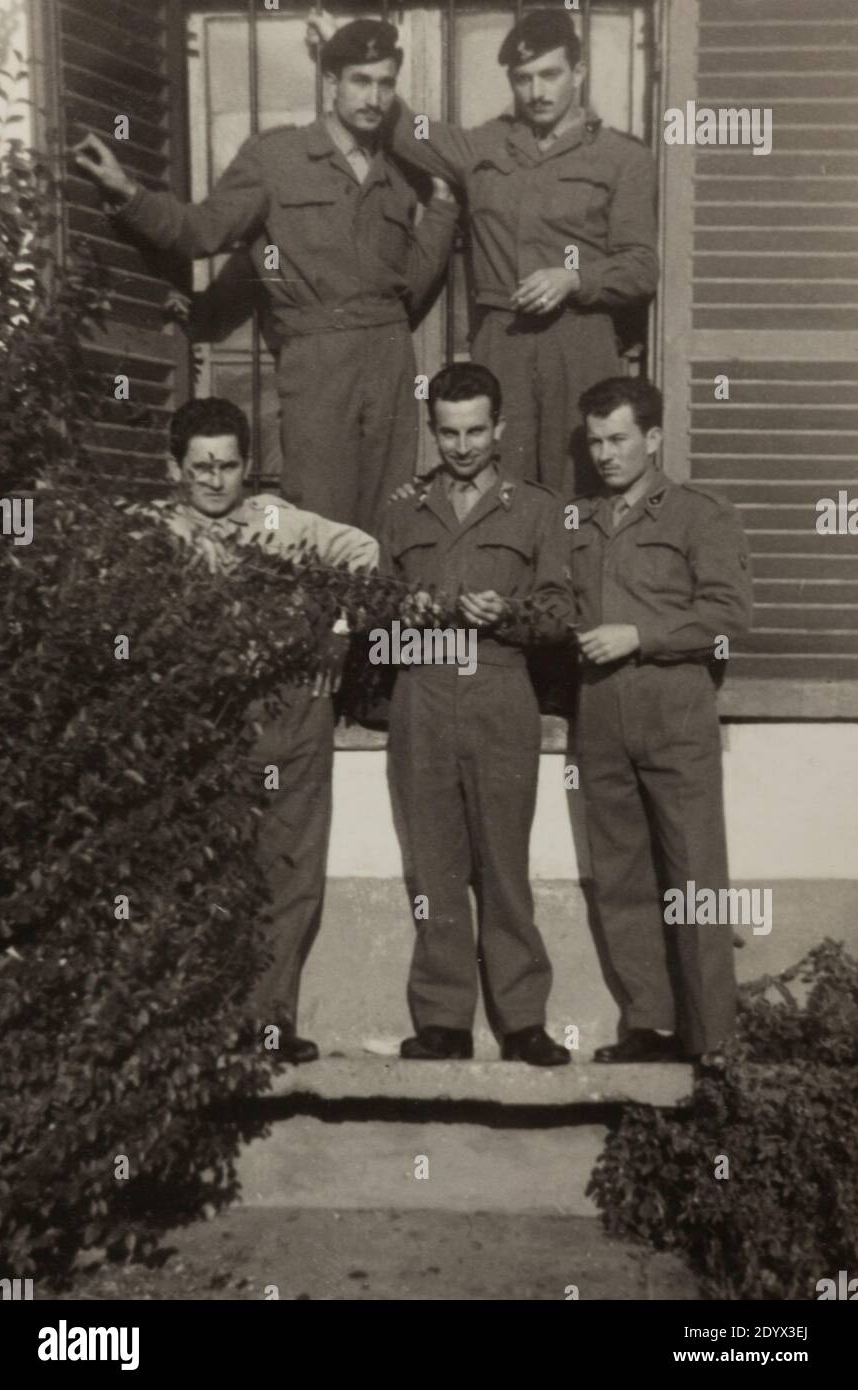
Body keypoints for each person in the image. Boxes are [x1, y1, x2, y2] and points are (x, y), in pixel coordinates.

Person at [74, 20, 458, 533]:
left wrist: (443, 211)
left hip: (391, 356)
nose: (374, 97)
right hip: (318, 361)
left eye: (386, 84)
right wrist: (128, 194)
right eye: (361, 81)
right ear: (330, 83)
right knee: (319, 520)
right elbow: (201, 230)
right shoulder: (275, 159)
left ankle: (381, 617)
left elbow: (411, 284)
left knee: (392, 516)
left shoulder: (398, 174)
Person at [310, 7, 658, 495]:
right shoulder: (483, 147)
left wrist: (575, 278)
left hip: (582, 337)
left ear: (577, 73)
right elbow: (411, 129)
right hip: (504, 335)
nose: (537, 92)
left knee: (581, 480)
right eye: (523, 79)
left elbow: (642, 267)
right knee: (503, 482)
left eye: (550, 75)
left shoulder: (624, 158)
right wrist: (339, 43)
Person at [143, 396, 378, 1063]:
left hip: (290, 711)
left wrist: (338, 629)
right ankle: (201, 1026)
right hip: (201, 718)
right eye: (201, 468)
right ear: (175, 469)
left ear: (248, 466)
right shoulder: (152, 533)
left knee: (290, 870)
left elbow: (364, 550)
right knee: (203, 874)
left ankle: (268, 1023)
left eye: (228, 466)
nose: (215, 481)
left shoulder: (281, 523)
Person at [379, 362, 573, 1066]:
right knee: (432, 866)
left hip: (499, 686)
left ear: (500, 429)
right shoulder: (403, 507)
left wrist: (511, 612)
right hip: (422, 688)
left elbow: (563, 612)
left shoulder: (538, 508)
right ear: (433, 431)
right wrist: (403, 610)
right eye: (447, 432)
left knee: (503, 864)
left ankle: (522, 1021)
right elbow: (373, 611)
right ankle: (443, 1021)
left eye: (475, 431)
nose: (461, 446)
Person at [567, 377, 752, 1067]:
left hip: (675, 710)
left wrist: (640, 635)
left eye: (618, 439)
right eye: (594, 442)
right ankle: (651, 1027)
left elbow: (728, 615)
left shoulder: (701, 515)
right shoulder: (580, 520)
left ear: (651, 437)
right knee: (622, 876)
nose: (606, 454)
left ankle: (714, 1042)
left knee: (696, 878)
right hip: (601, 718)